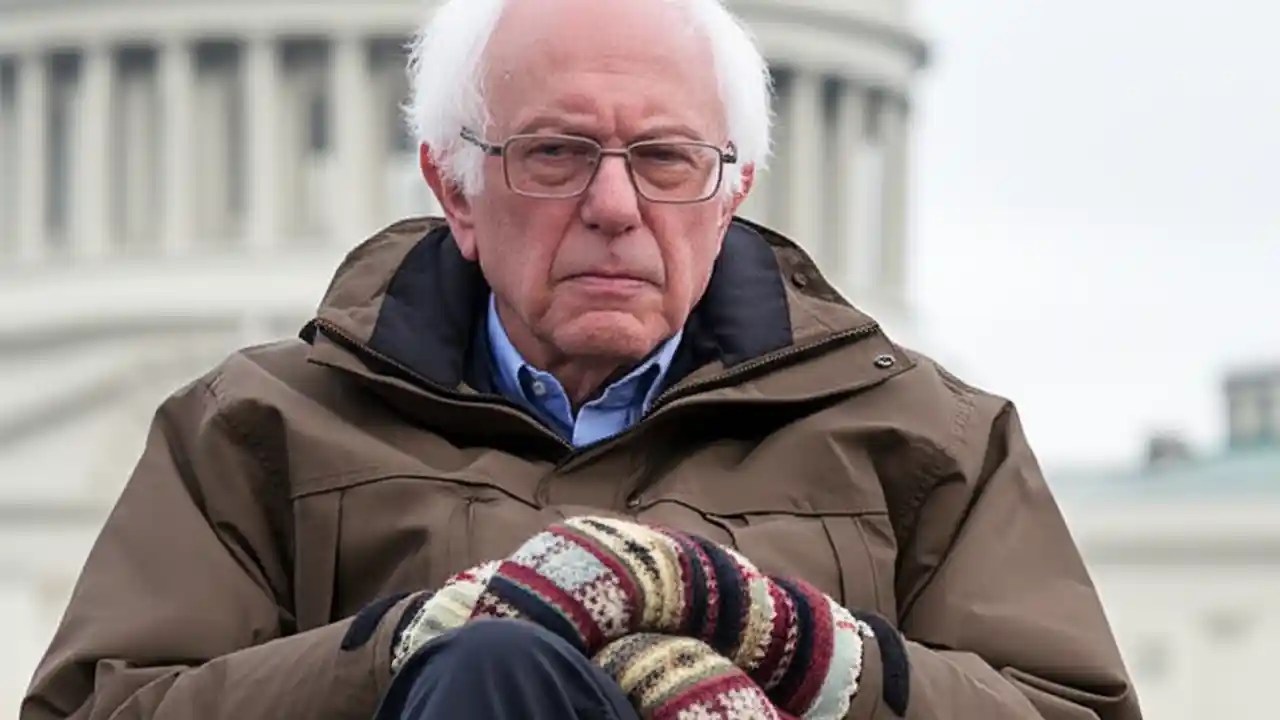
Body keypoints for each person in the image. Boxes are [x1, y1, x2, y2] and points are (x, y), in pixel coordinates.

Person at [22, 0, 1143, 718]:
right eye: (554, 154)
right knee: (485, 674)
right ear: (451, 186)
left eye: (663, 159)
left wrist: (788, 643)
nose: (613, 207)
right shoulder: (252, 430)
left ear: (734, 187)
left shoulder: (928, 442)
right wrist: (405, 649)